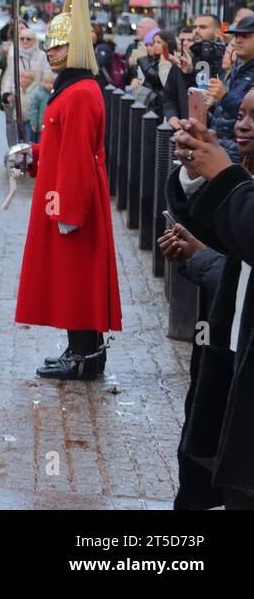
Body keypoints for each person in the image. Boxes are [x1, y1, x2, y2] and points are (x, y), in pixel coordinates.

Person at [10, 0, 121, 379]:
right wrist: (32, 156)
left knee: (77, 281)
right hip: (62, 195)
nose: (52, 51)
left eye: (59, 44)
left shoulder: (79, 93)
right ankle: (79, 350)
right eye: (49, 44)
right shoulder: (72, 89)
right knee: (72, 280)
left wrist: (68, 210)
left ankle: (85, 357)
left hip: (72, 202)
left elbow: (76, 158)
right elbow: (60, 150)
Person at [162, 89, 254, 509]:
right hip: (225, 356)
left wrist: (224, 176)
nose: (243, 125)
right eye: (240, 114)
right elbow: (230, 234)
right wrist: (197, 171)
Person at [206, 15, 254, 157]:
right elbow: (226, 116)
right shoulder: (236, 68)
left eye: (246, 36)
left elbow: (248, 116)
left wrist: (224, 97)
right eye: (236, 35)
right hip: (220, 149)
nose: (238, 40)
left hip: (239, 155)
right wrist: (212, 105)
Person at [0, 24, 50, 146]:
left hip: (36, 98)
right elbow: (9, 76)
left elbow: (47, 74)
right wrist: (6, 94)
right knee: (18, 128)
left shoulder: (41, 55)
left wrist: (46, 88)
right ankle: (17, 154)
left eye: (28, 39)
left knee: (34, 131)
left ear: (34, 40)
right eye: (22, 38)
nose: (25, 41)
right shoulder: (14, 55)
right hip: (19, 96)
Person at [26, 70, 55, 143]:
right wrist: (33, 122)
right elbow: (33, 109)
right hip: (41, 125)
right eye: (47, 82)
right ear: (43, 83)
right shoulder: (38, 94)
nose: (49, 85)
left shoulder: (55, 94)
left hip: (52, 125)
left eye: (51, 83)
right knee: (41, 142)